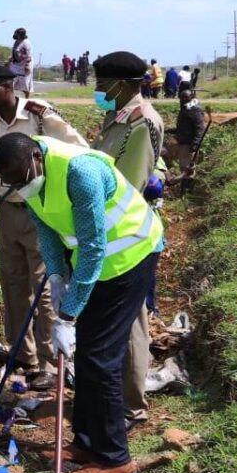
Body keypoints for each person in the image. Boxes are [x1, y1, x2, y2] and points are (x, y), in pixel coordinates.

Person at [0, 132, 164, 473]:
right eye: (10, 184)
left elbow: (92, 248)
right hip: (98, 265)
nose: (19, 189)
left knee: (100, 357)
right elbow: (47, 230)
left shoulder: (80, 173)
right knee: (87, 354)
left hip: (130, 256)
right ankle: (86, 442)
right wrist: (56, 277)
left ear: (35, 160)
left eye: (20, 180)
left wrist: (68, 315)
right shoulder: (26, 177)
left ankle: (115, 458)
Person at [0, 66, 88, 390]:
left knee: (44, 284)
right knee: (12, 283)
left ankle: (51, 361)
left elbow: (77, 148)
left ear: (8, 86)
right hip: (8, 212)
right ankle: (23, 356)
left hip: (41, 209)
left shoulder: (39, 116)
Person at [91, 51, 165, 431]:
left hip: (126, 236)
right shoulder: (117, 116)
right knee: (112, 321)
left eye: (102, 85)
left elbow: (128, 188)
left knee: (131, 321)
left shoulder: (142, 123)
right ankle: (112, 396)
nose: (98, 91)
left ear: (124, 85)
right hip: (110, 232)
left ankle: (131, 407)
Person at [172, 88, 205, 192]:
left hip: (189, 144)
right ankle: (184, 190)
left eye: (186, 97)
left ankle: (187, 191)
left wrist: (196, 143)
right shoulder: (186, 108)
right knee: (184, 168)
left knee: (187, 169)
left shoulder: (194, 110)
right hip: (183, 143)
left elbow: (200, 128)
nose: (183, 99)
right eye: (182, 97)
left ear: (192, 98)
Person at [10, 27, 33, 98]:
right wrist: (9, 61)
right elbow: (14, 52)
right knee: (11, 82)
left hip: (23, 66)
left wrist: (27, 66)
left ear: (19, 34)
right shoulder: (16, 41)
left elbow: (29, 56)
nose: (14, 35)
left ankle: (27, 99)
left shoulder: (26, 43)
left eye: (15, 33)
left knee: (25, 85)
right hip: (15, 65)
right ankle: (12, 99)